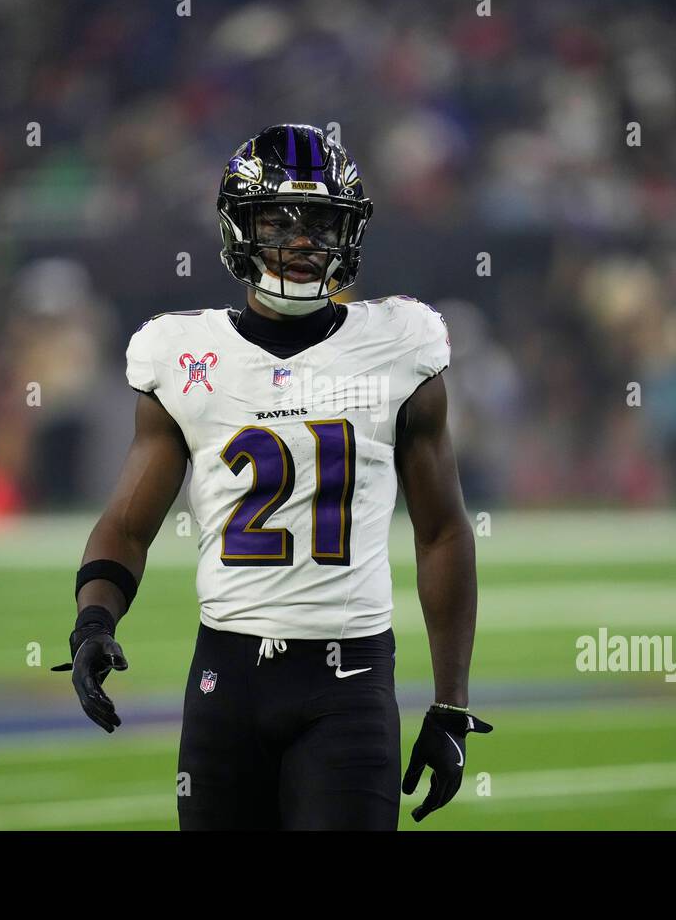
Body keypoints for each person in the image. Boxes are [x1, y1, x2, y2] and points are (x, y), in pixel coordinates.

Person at [55, 124, 490, 830]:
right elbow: (128, 523)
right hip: (225, 683)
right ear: (238, 227)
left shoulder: (399, 345)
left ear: (347, 231)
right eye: (277, 219)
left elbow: (442, 532)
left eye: (320, 220)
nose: (301, 238)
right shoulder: (184, 354)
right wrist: (93, 621)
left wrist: (450, 702)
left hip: (348, 683)